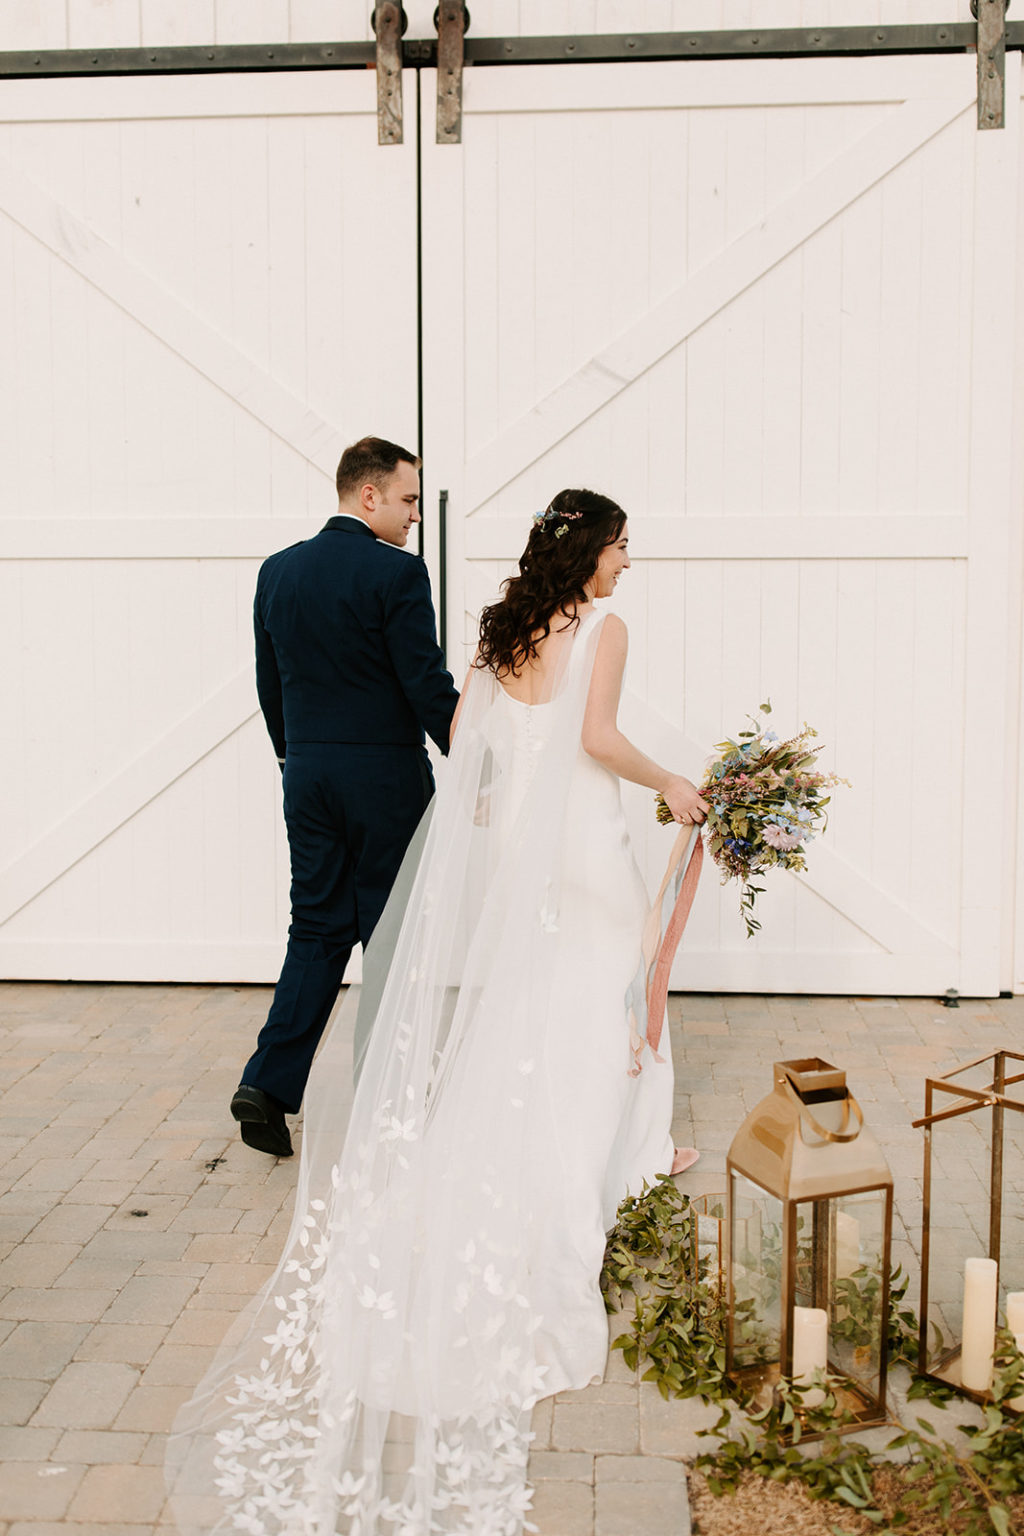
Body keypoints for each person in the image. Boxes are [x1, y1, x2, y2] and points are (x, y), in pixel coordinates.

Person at [169, 489, 707, 1535]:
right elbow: (598, 738)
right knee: (611, 982)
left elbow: (466, 736)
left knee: (541, 993)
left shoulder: (505, 629)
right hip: (582, 837)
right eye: (622, 547)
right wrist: (672, 783)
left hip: (519, 846)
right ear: (592, 553)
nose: (628, 563)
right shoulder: (604, 627)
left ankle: (606, 1142)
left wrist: (495, 806)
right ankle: (616, 1157)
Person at [230, 437, 459, 1158]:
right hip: (385, 779)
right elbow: (424, 682)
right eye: (408, 499)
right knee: (393, 934)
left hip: (308, 773)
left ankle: (266, 1086)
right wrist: (478, 758)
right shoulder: (397, 573)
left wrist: (291, 757)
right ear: (369, 494)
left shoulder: (278, 570)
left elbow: (270, 682)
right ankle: (385, 1097)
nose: (415, 514)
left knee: (316, 928)